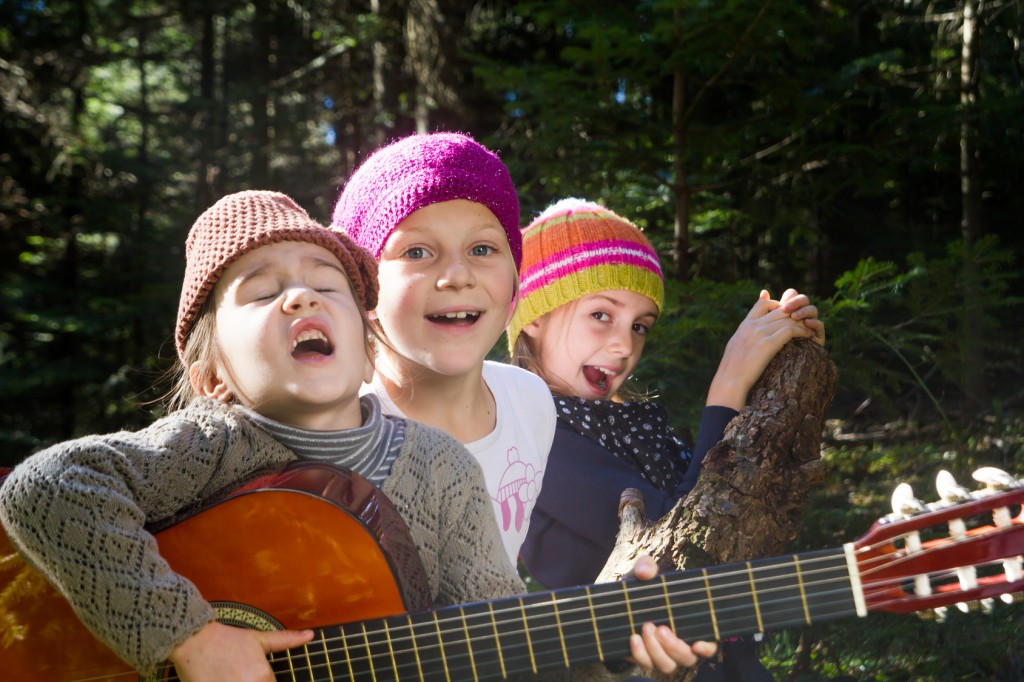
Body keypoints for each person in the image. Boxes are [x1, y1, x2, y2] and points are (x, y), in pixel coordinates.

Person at [0, 190, 711, 681]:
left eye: (326, 283)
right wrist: (189, 638)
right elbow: (46, 487)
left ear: (365, 340)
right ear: (211, 371)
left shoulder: (441, 468)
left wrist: (612, 651)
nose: (301, 295)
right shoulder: (215, 443)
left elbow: (500, 642)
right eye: (260, 290)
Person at [508, 198, 826, 680]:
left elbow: (738, 498)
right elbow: (681, 541)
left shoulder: (635, 424)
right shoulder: (533, 435)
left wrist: (786, 364)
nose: (624, 345)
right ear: (534, 315)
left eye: (640, 326)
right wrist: (729, 383)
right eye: (601, 315)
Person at [330, 132, 555, 565]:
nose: (457, 275)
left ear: (514, 272)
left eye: (482, 248)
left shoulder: (531, 403)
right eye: (417, 251)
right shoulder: (337, 435)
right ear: (362, 285)